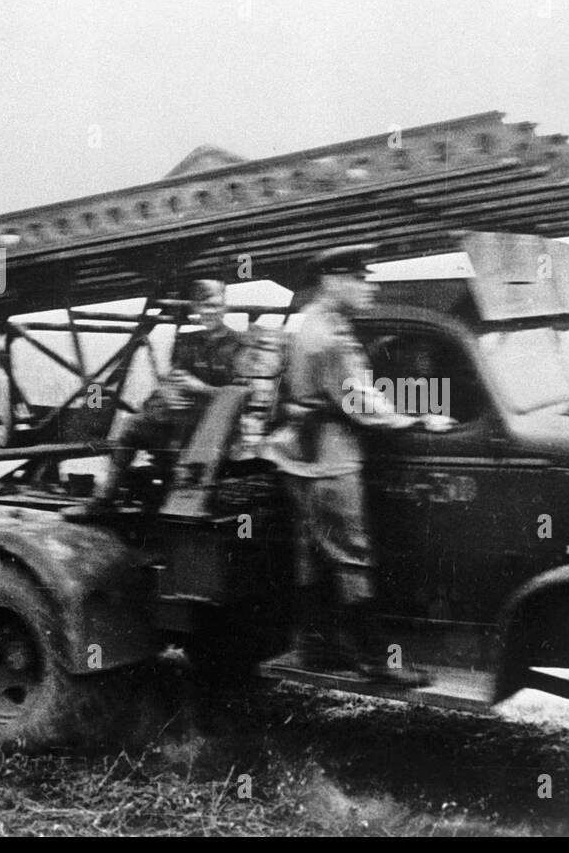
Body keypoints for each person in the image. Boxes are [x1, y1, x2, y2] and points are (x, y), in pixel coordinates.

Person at [262, 244, 452, 687]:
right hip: (330, 462)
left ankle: (316, 649)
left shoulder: (312, 323)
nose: (371, 286)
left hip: (300, 458)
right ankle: (373, 660)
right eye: (360, 279)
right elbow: (361, 403)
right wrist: (420, 418)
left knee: (314, 555)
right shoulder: (332, 338)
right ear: (332, 282)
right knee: (352, 557)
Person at [84, 278, 242, 512]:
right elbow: (174, 379)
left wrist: (201, 388)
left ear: (225, 307)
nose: (210, 312)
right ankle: (103, 499)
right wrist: (167, 394)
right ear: (196, 309)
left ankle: (179, 500)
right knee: (131, 427)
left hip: (217, 427)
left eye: (215, 305)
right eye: (203, 306)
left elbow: (240, 395)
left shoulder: (239, 344)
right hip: (180, 419)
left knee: (183, 433)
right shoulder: (187, 341)